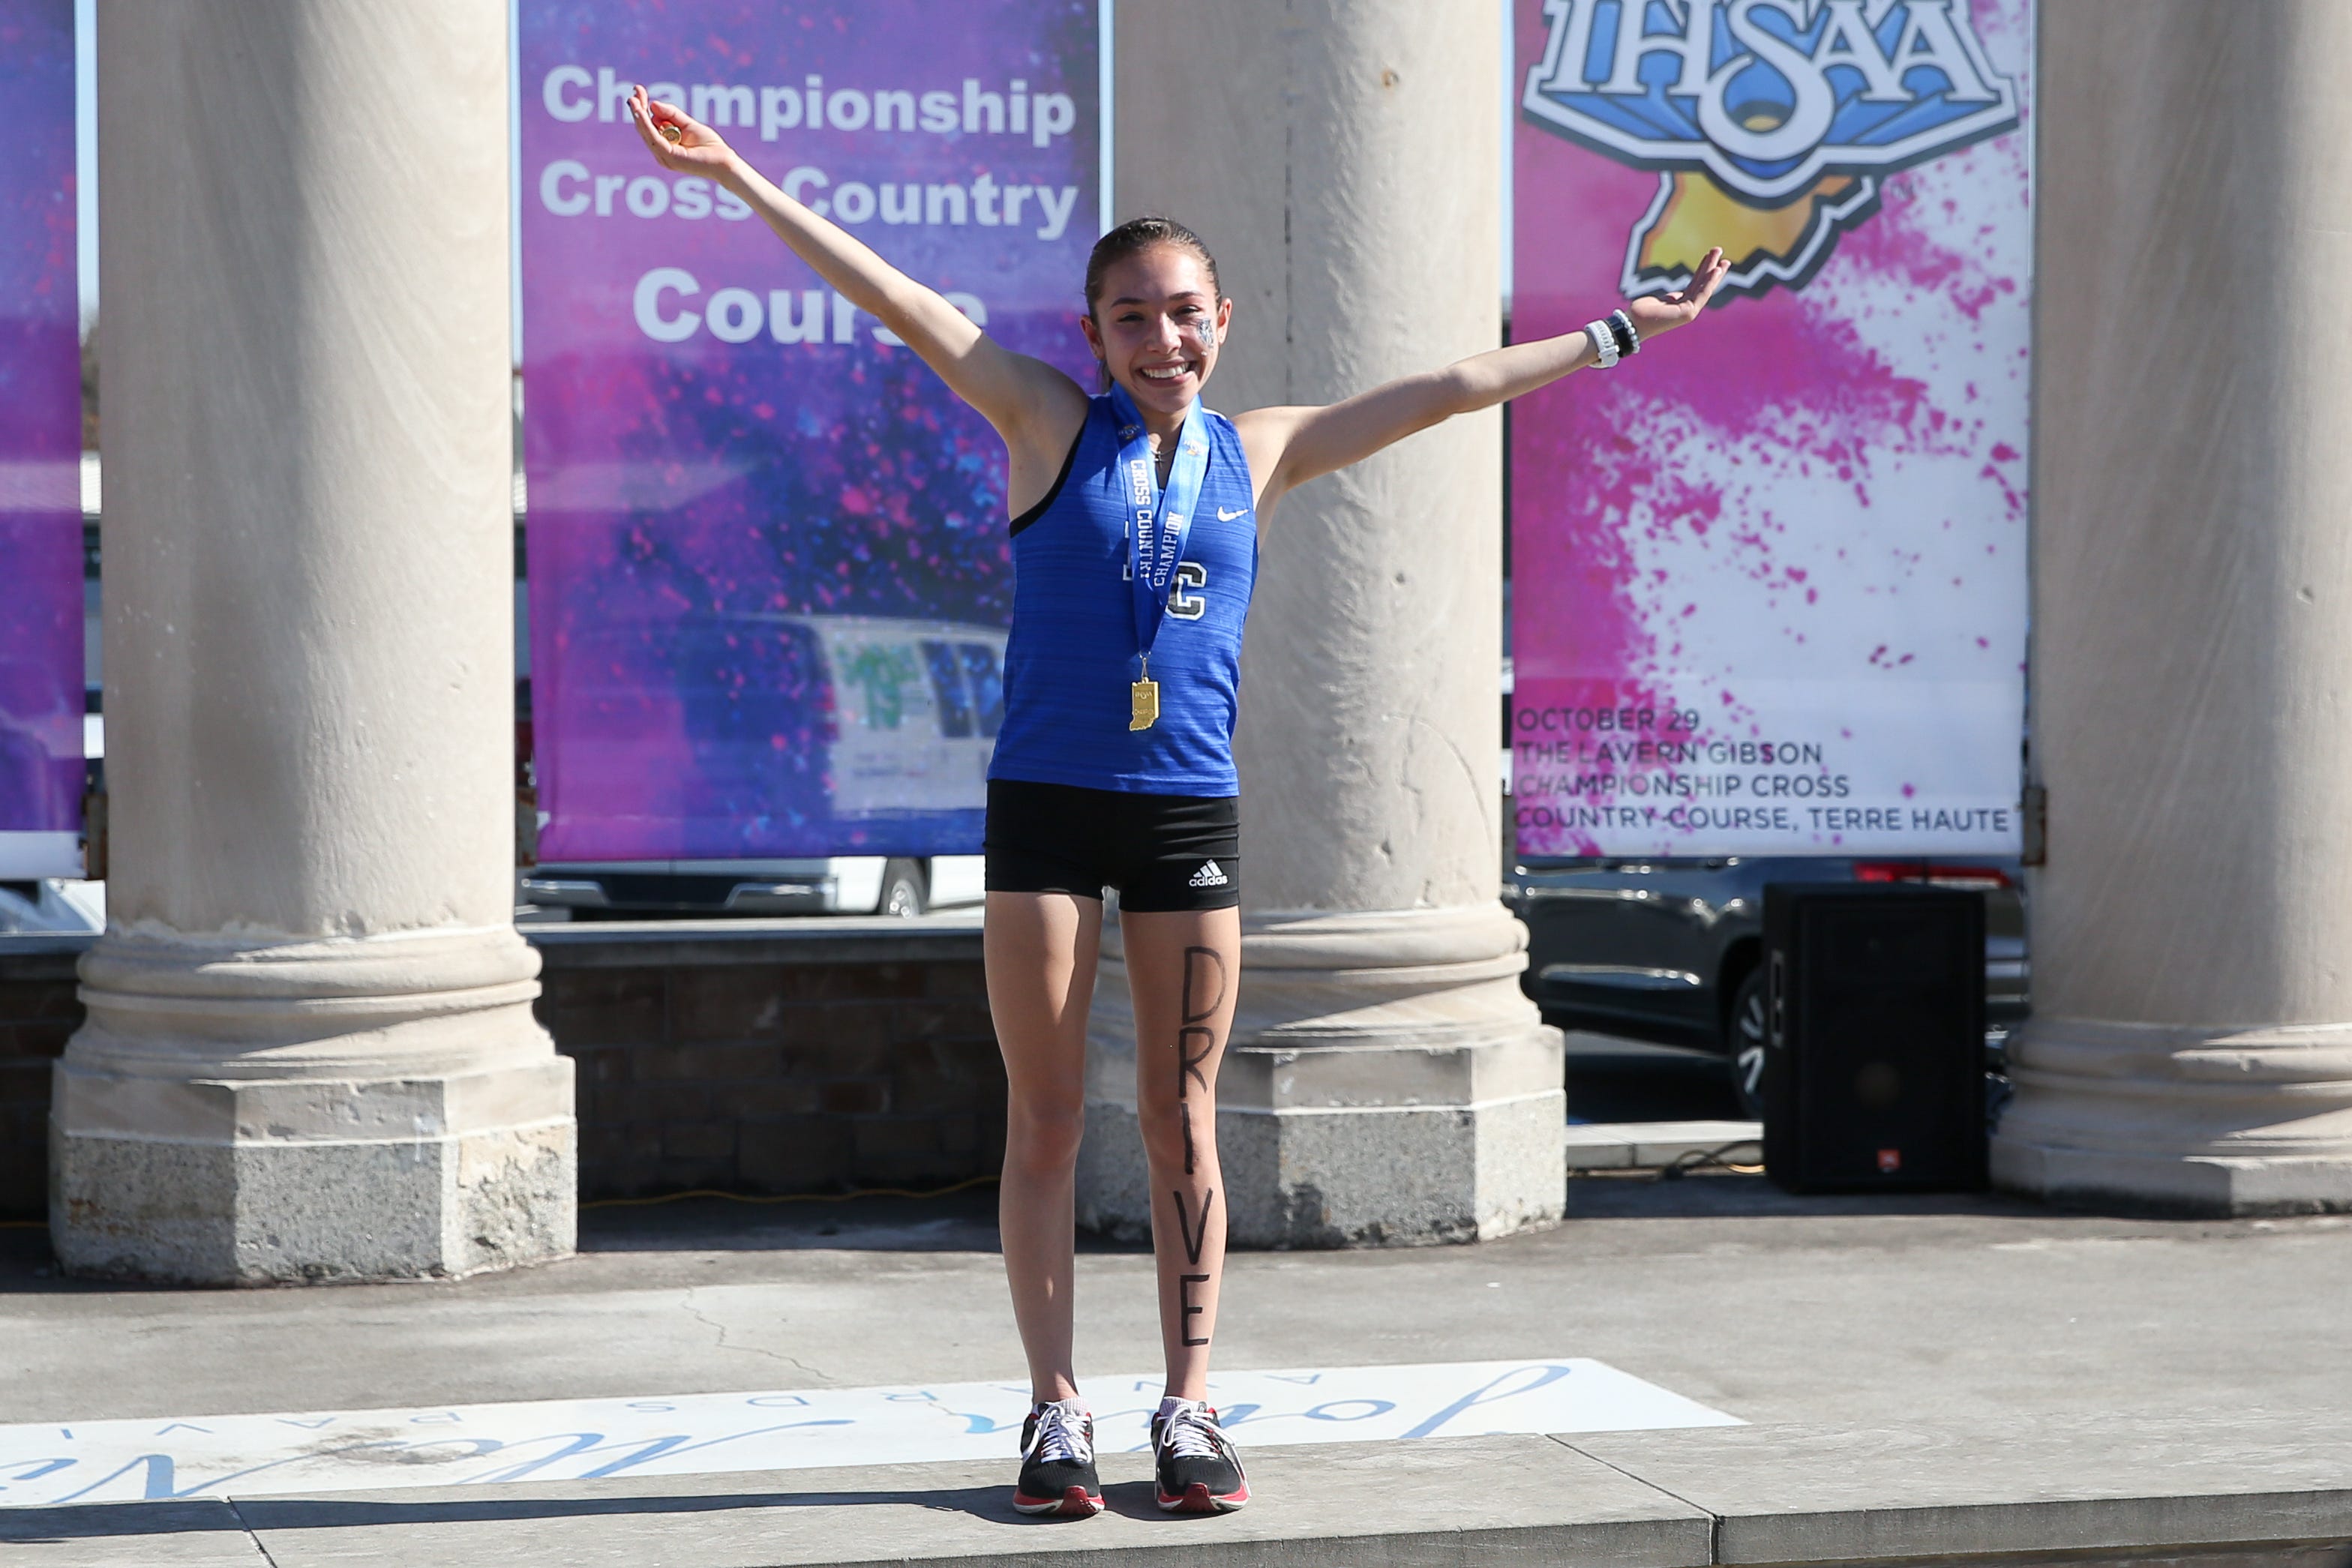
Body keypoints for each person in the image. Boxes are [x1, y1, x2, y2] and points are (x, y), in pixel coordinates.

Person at [626, 85, 1727, 1519]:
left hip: (1183, 814)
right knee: (1046, 1118)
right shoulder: (1042, 419)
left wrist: (1623, 331)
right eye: (1134, 318)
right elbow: (895, 299)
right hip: (1043, 812)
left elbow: (1450, 388)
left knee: (1181, 1118)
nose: (1165, 340)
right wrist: (741, 182)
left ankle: (1191, 1407)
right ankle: (1051, 1411)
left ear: (1224, 319)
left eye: (1187, 313)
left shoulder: (1256, 447)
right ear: (1093, 336)